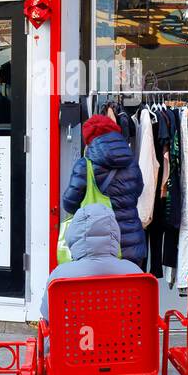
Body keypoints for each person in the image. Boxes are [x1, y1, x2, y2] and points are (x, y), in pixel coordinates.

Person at [41, 204, 143, 375]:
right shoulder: (135, 274)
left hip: (74, 357)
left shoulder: (62, 275)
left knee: (55, 336)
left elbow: (47, 320)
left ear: (75, 235)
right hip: (125, 355)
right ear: (114, 234)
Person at [62, 114, 147, 267]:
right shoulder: (131, 162)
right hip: (132, 244)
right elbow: (138, 191)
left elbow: (69, 204)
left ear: (89, 139)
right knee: (129, 289)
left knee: (98, 290)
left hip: (97, 247)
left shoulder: (85, 165)